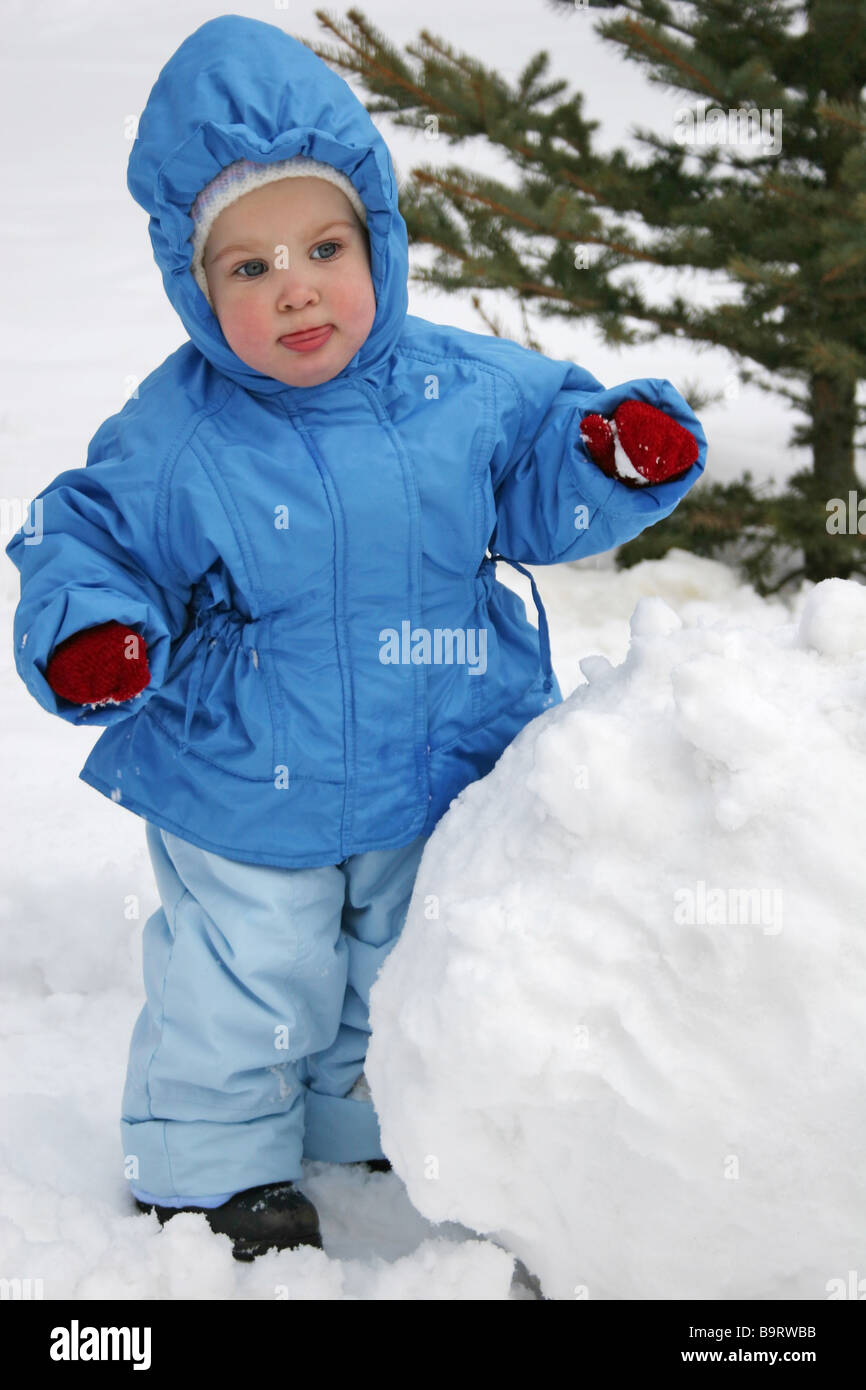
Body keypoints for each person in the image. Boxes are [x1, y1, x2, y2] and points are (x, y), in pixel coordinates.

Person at [5, 14, 707, 1261]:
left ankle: (364, 1119)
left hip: (432, 759)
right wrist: (96, 634)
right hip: (246, 772)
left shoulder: (461, 386)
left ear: (377, 237)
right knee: (250, 972)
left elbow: (542, 467)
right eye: (248, 268)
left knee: (403, 953)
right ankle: (205, 1164)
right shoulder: (177, 435)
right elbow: (89, 539)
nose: (296, 288)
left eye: (324, 246)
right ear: (193, 283)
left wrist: (607, 453)